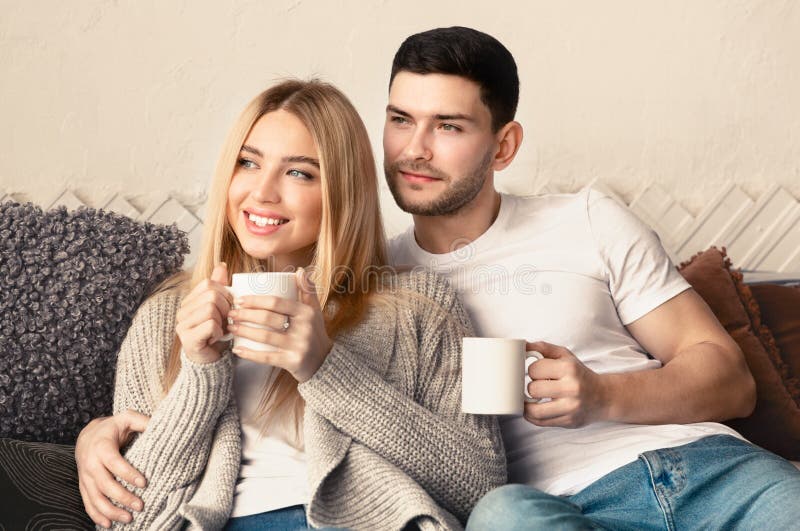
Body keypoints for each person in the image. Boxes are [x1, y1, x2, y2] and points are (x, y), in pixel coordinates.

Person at [382, 26, 800, 530]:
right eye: (401, 120)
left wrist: (602, 395)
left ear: (504, 146)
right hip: (558, 510)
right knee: (502, 515)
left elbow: (733, 383)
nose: (415, 149)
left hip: (713, 476)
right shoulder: (376, 282)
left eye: (448, 126)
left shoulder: (586, 218)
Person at [77, 78, 506, 530]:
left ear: (342, 193)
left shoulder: (422, 306)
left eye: (299, 172)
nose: (262, 192)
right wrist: (200, 372)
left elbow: (482, 487)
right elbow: (129, 519)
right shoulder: (167, 317)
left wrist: (325, 367)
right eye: (248, 163)